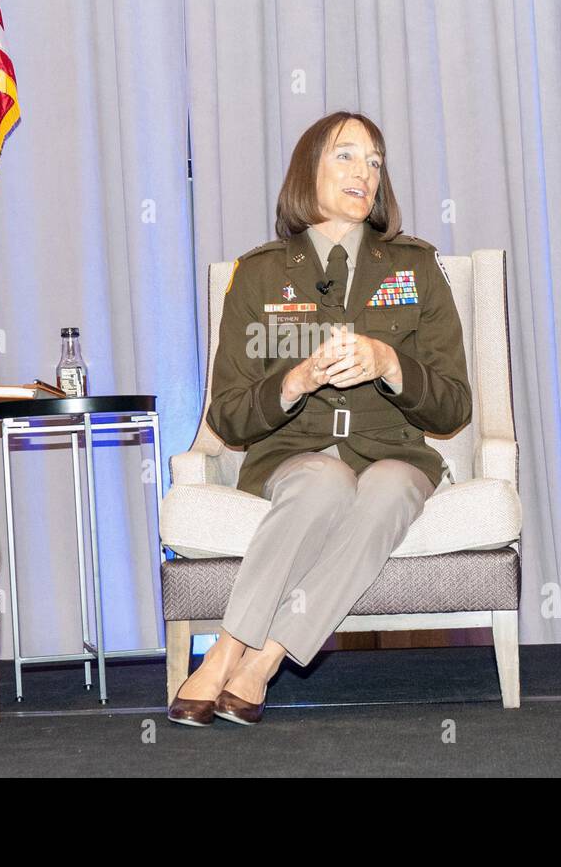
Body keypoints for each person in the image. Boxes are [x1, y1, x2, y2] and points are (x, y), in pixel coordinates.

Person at [167, 111, 472, 727]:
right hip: (292, 450)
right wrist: (296, 381)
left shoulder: (415, 268)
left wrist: (390, 361)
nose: (365, 172)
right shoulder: (258, 273)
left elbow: (453, 405)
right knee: (324, 481)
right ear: (309, 169)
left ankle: (263, 659)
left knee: (385, 489)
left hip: (395, 450)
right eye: (347, 156)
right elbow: (227, 414)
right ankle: (231, 645)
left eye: (375, 162)